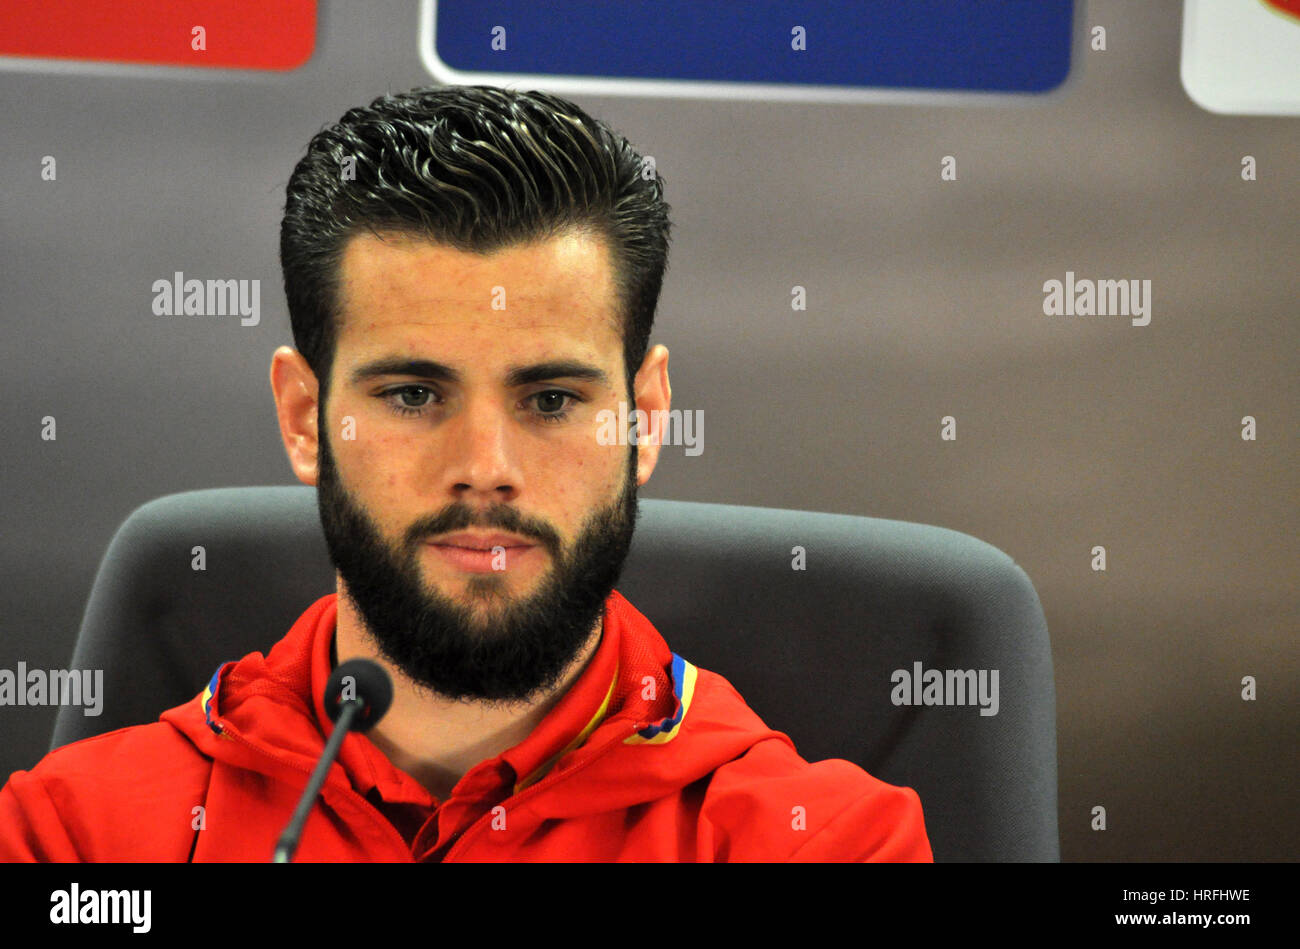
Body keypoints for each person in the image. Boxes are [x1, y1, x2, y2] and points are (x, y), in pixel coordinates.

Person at [0, 85, 931, 862]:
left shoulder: (826, 843)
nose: (486, 471)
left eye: (552, 399)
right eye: (412, 395)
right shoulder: (76, 837)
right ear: (304, 420)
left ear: (646, 419)